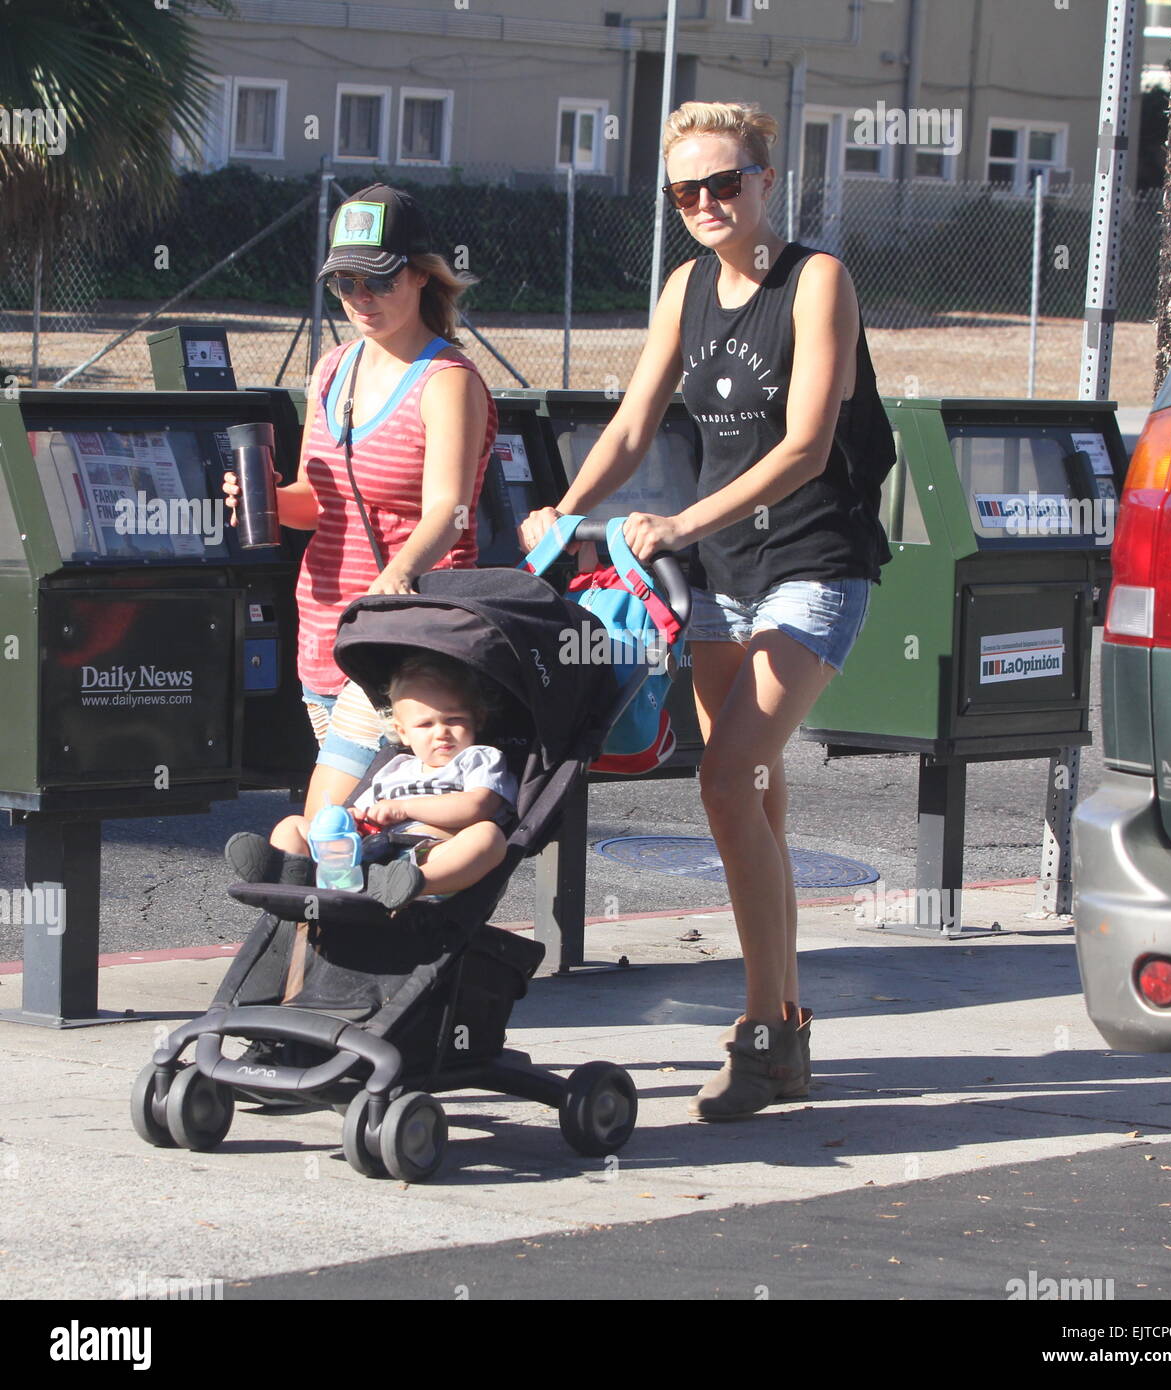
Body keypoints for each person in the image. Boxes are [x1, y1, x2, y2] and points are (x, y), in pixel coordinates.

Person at [519, 101, 894, 1121]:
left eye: (724, 183)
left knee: (728, 778)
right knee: (752, 795)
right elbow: (636, 422)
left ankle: (763, 1032)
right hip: (722, 569)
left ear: (767, 180)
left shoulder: (817, 281)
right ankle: (788, 1027)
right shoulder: (685, 288)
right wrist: (566, 506)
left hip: (814, 558)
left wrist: (676, 522)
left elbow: (807, 447)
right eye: (686, 191)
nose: (706, 205)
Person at [223, 183, 498, 829]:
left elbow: (450, 509)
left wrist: (397, 575)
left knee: (326, 822)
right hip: (324, 631)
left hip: (401, 634)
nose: (360, 299)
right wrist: (260, 496)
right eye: (345, 284)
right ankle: (387, 923)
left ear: (421, 275)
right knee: (371, 836)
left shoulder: (447, 380)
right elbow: (318, 502)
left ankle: (328, 916)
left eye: (376, 281)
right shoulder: (332, 369)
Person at [227, 654, 516, 910]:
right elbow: (362, 809)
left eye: (454, 719)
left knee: (488, 837)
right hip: (366, 853)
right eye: (426, 725)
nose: (441, 732)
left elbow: (477, 806)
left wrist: (405, 809)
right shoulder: (395, 766)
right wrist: (350, 818)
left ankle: (414, 884)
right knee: (294, 825)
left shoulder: (478, 758)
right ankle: (289, 871)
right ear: (402, 732)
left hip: (431, 854)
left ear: (477, 720)